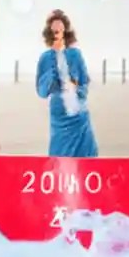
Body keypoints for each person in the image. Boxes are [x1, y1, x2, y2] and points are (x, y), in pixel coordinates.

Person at [35, 10, 99, 158]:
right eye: (54, 27)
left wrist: (77, 89)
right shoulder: (45, 58)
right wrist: (51, 74)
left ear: (66, 30)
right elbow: (41, 91)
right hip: (59, 114)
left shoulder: (76, 54)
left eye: (60, 26)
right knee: (59, 154)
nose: (57, 29)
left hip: (78, 111)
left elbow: (84, 81)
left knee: (87, 152)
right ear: (49, 32)